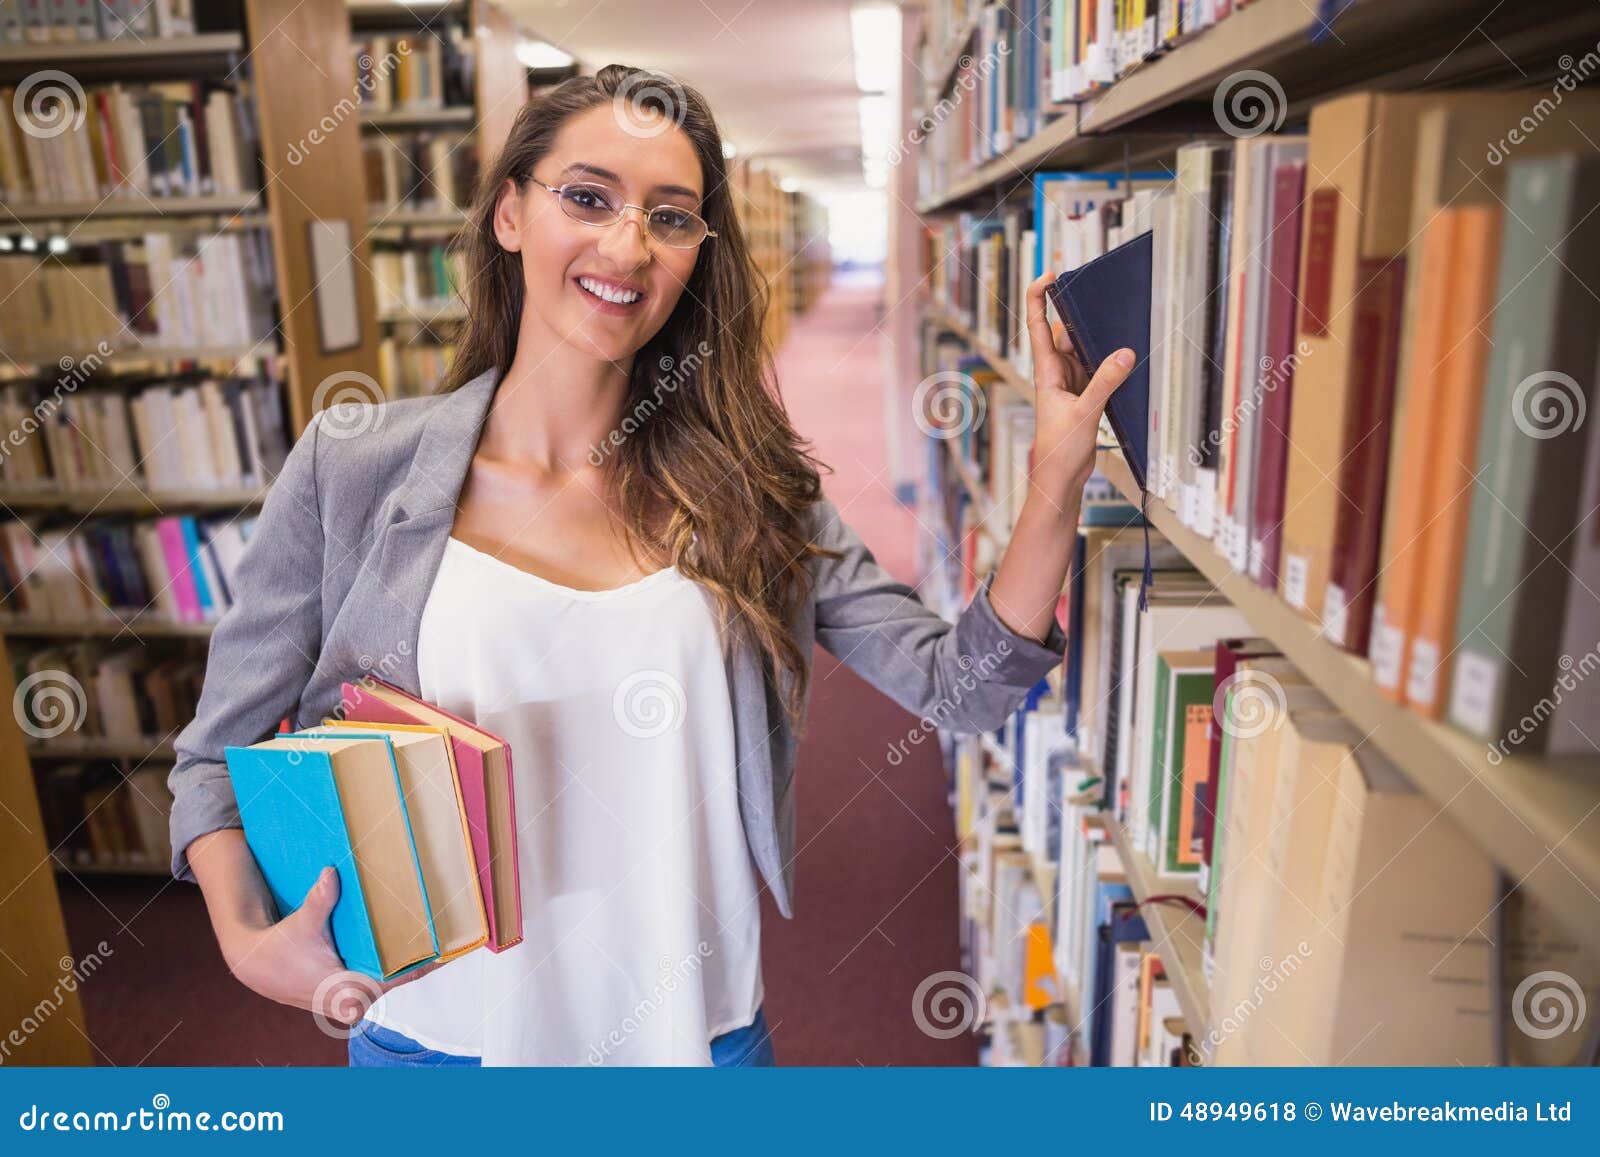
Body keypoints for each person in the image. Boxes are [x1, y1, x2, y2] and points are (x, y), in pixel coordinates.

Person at [166, 64, 1133, 1068]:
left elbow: (960, 688)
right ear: (509, 213)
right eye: (587, 197)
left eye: (671, 218)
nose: (626, 246)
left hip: (696, 1040)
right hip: (437, 1044)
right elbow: (211, 757)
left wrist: (1054, 483)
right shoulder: (355, 466)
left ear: (696, 256)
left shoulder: (753, 489)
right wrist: (244, 937)